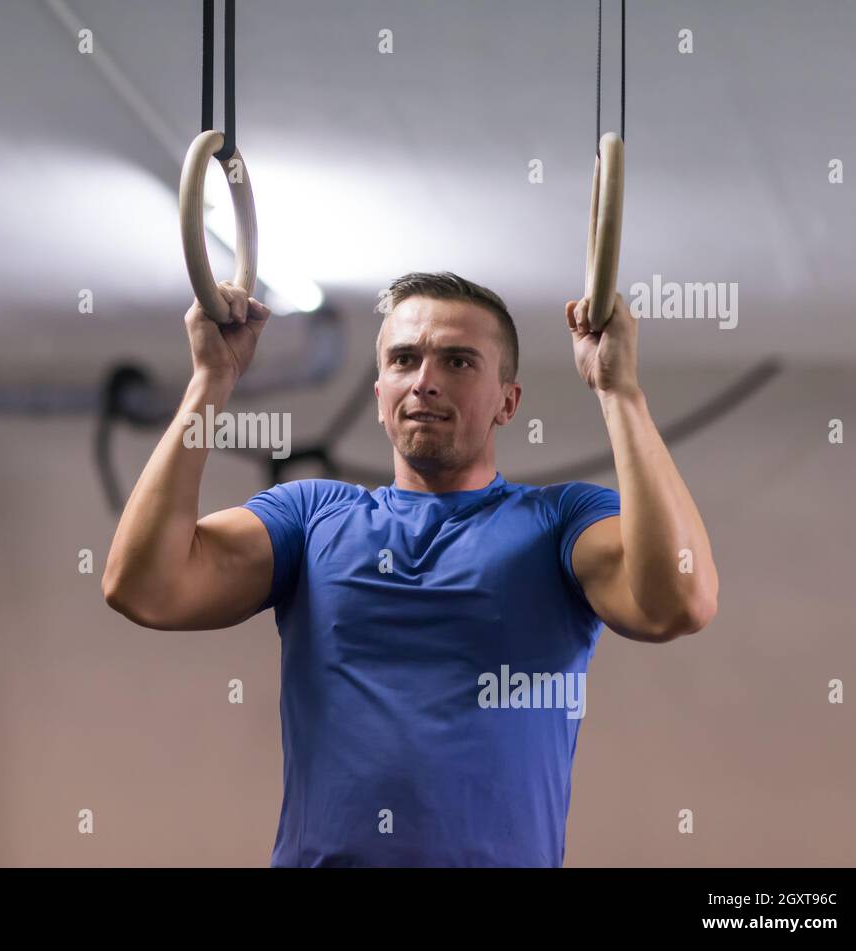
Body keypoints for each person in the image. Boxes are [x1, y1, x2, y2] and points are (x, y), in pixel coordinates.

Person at [102, 271, 718, 866]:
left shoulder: (561, 521)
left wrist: (621, 394)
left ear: (509, 400)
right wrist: (210, 381)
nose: (425, 381)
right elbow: (143, 587)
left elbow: (680, 601)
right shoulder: (312, 516)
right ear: (379, 397)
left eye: (458, 361)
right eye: (403, 360)